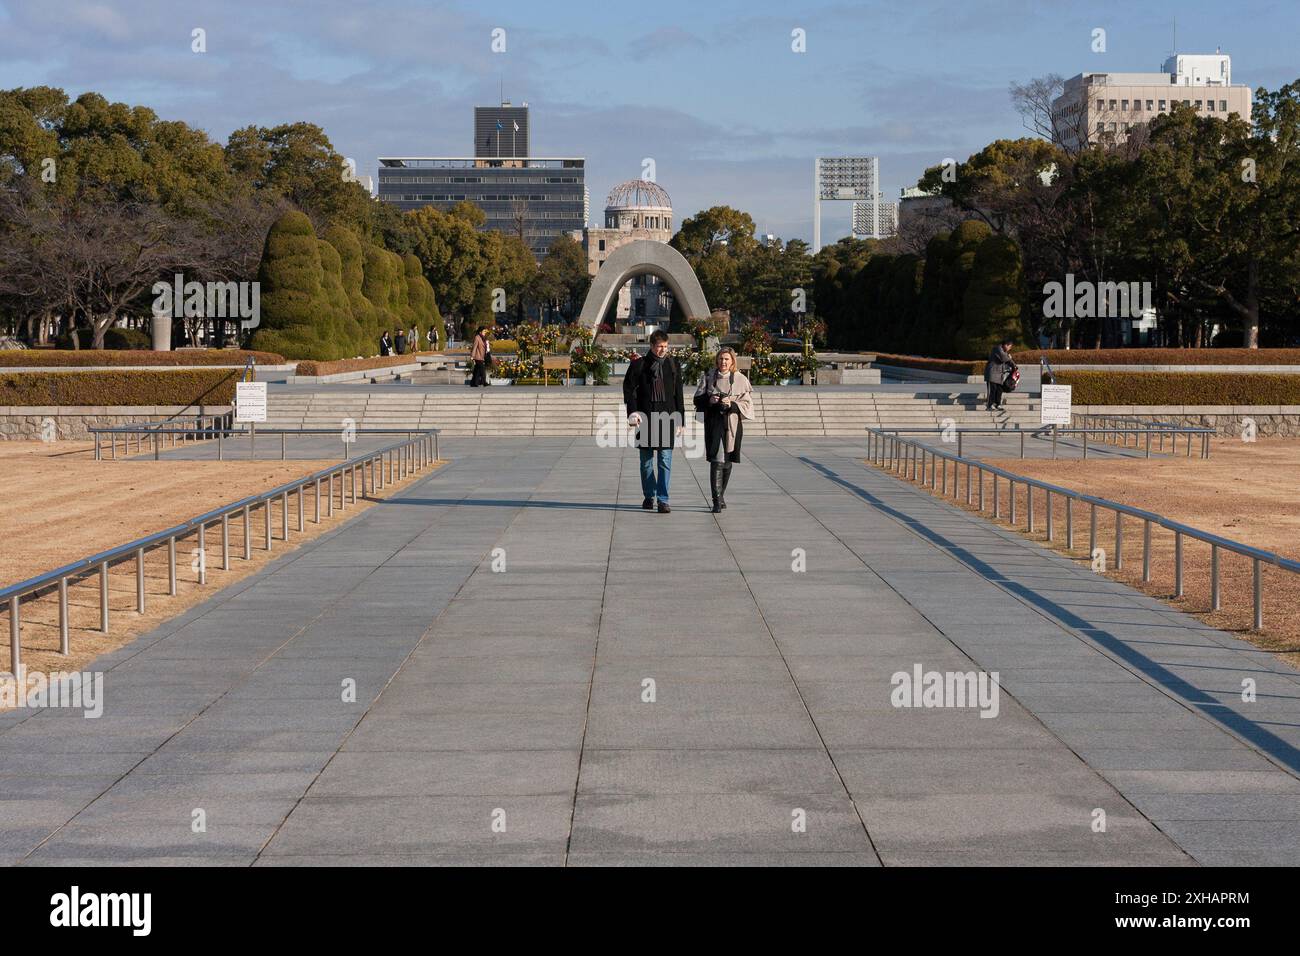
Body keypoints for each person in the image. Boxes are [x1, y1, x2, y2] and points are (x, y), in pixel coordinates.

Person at [624, 330, 685, 513]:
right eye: (659, 346)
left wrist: (681, 419)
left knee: (665, 459)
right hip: (646, 418)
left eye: (665, 347)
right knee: (646, 461)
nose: (663, 350)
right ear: (651, 346)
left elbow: (678, 394)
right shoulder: (638, 365)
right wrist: (633, 412)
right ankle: (649, 496)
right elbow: (629, 390)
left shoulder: (673, 364)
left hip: (667, 416)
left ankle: (663, 499)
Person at [694, 347, 753, 513]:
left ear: (732, 361)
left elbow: (747, 404)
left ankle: (721, 495)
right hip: (714, 423)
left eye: (727, 359)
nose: (723, 362)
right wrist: (710, 399)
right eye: (721, 359)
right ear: (717, 360)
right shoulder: (708, 376)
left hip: (732, 424)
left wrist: (731, 404)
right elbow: (697, 399)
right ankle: (716, 501)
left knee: (727, 461)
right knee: (717, 459)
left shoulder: (740, 379)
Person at [984, 339, 1014, 410]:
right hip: (992, 373)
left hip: (1000, 374)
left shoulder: (1004, 351)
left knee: (999, 389)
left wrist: (1013, 366)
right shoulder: (997, 349)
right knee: (993, 389)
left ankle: (998, 404)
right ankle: (990, 405)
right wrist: (1012, 363)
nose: (1010, 348)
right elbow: (1005, 358)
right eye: (1009, 347)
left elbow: (1007, 360)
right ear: (1005, 345)